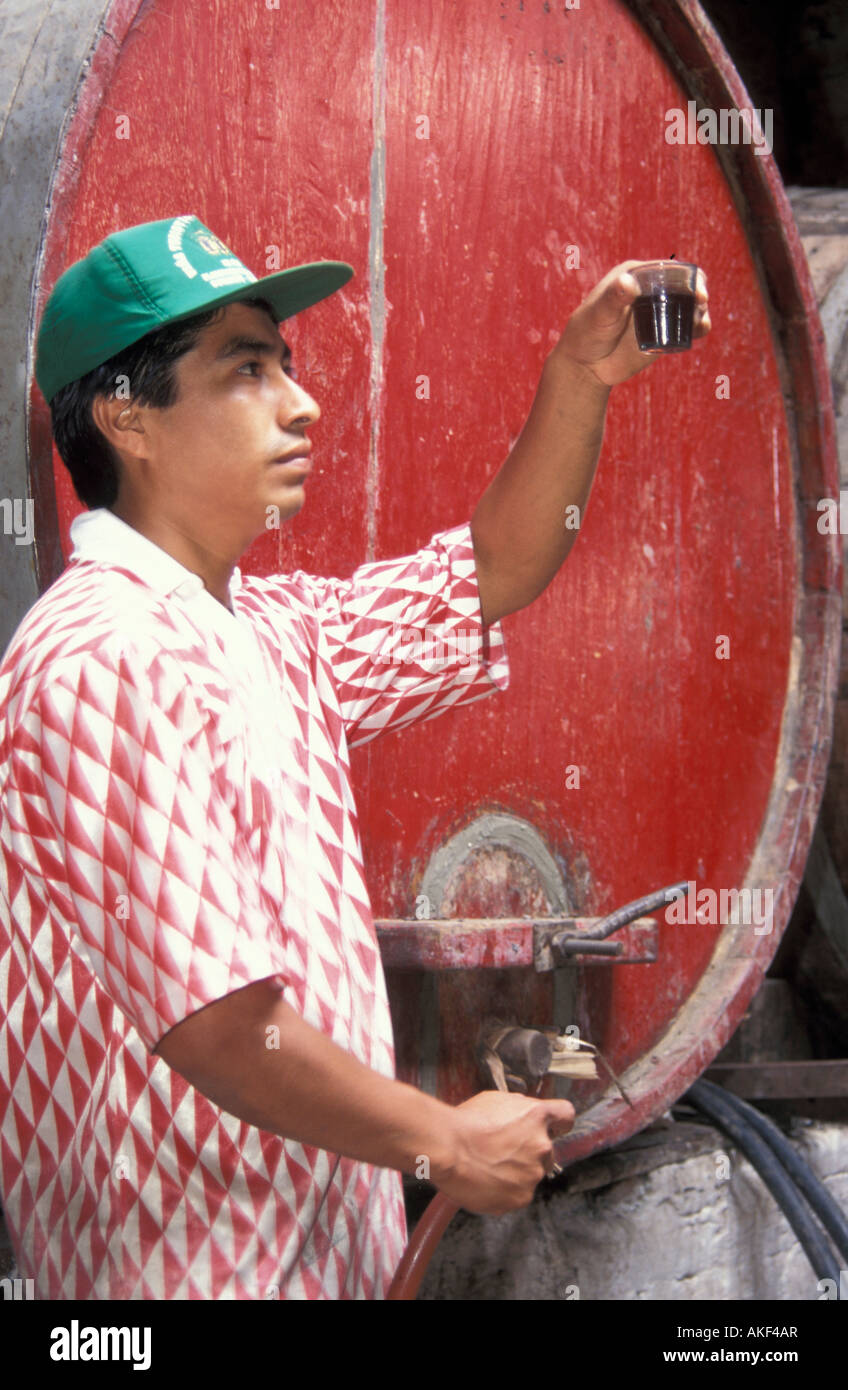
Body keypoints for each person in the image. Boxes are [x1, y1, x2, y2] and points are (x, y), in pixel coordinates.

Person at [0, 215, 709, 1300]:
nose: (301, 401)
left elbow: (489, 573)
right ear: (125, 417)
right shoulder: (98, 656)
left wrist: (579, 377)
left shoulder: (269, 633)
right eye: (245, 370)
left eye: (284, 364)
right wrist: (444, 1142)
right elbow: (221, 1026)